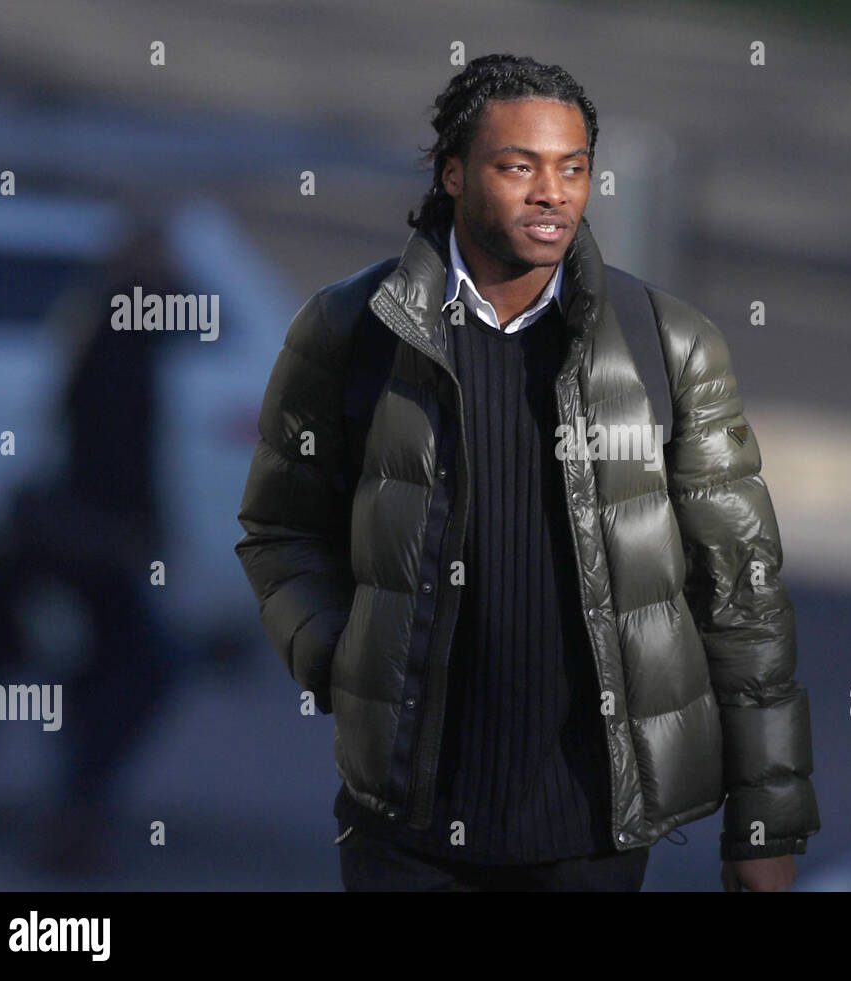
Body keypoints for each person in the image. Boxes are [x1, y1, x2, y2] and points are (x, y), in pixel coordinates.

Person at [234, 53, 819, 892]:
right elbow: (279, 529)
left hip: (592, 831)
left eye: (572, 168)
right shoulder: (351, 331)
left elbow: (741, 589)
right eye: (519, 167)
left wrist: (764, 819)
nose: (553, 193)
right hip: (402, 828)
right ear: (453, 174)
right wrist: (345, 658)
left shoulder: (668, 342)